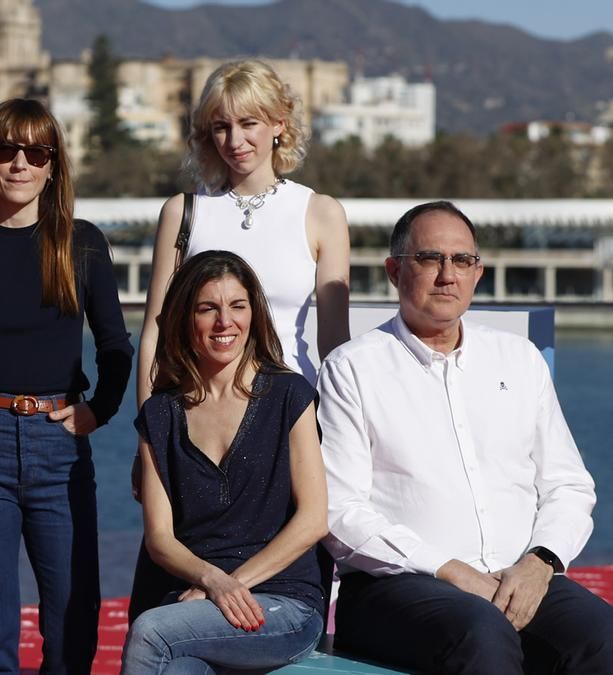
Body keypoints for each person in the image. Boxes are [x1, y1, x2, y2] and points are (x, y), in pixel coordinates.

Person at [318, 201, 613, 674]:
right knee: (483, 636)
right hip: (397, 587)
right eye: (430, 259)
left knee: (610, 642)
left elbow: (568, 485)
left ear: (477, 272)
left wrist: (540, 562)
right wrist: (449, 569)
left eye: (462, 261)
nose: (447, 275)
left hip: (519, 576)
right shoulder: (353, 368)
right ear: (394, 270)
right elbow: (340, 511)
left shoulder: (519, 359)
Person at [0, 98, 133, 674]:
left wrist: (100, 410)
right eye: (5, 149)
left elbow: (116, 346)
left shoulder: (81, 244)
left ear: (53, 165)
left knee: (73, 619)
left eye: (36, 151)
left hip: (59, 444)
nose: (20, 163)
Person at [131, 57, 350, 621]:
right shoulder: (184, 213)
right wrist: (149, 440)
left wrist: (341, 444)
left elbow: (337, 350)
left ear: (280, 123)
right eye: (221, 127)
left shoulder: (321, 213)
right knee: (173, 584)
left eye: (250, 123)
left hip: (288, 430)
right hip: (197, 428)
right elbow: (156, 332)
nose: (236, 140)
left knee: (286, 588)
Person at [122, 250, 328, 673]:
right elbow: (159, 539)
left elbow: (314, 519)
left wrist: (231, 586)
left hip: (281, 603)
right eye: (207, 309)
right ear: (184, 318)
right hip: (193, 601)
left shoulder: (290, 396)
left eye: (237, 306)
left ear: (253, 313)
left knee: (152, 632)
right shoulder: (160, 414)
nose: (224, 323)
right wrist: (212, 581)